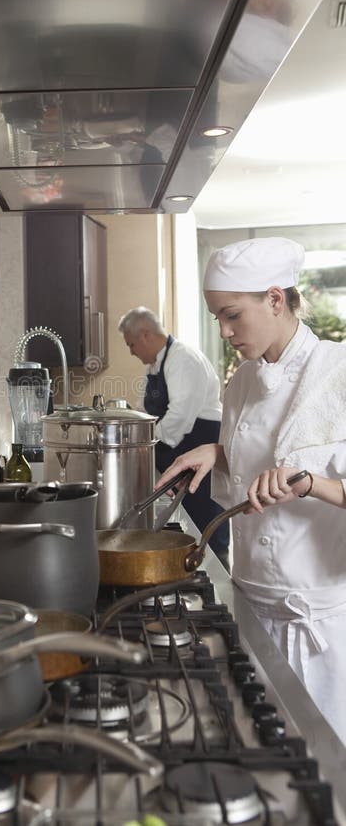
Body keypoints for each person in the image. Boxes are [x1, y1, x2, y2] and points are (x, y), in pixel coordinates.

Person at [156, 236, 346, 744]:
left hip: (318, 620)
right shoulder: (240, 382)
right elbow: (253, 460)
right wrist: (215, 453)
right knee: (264, 750)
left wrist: (309, 483)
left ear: (276, 299)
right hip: (251, 601)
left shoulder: (338, 373)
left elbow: (307, 476)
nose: (224, 331)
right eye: (217, 316)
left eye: (233, 315)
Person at [118, 307, 230, 567]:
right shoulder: (156, 364)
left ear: (145, 335)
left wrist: (144, 443)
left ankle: (218, 570)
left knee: (206, 520)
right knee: (186, 524)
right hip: (178, 448)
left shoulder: (183, 359)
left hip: (198, 444)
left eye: (131, 344)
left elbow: (179, 417)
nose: (132, 351)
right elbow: (145, 411)